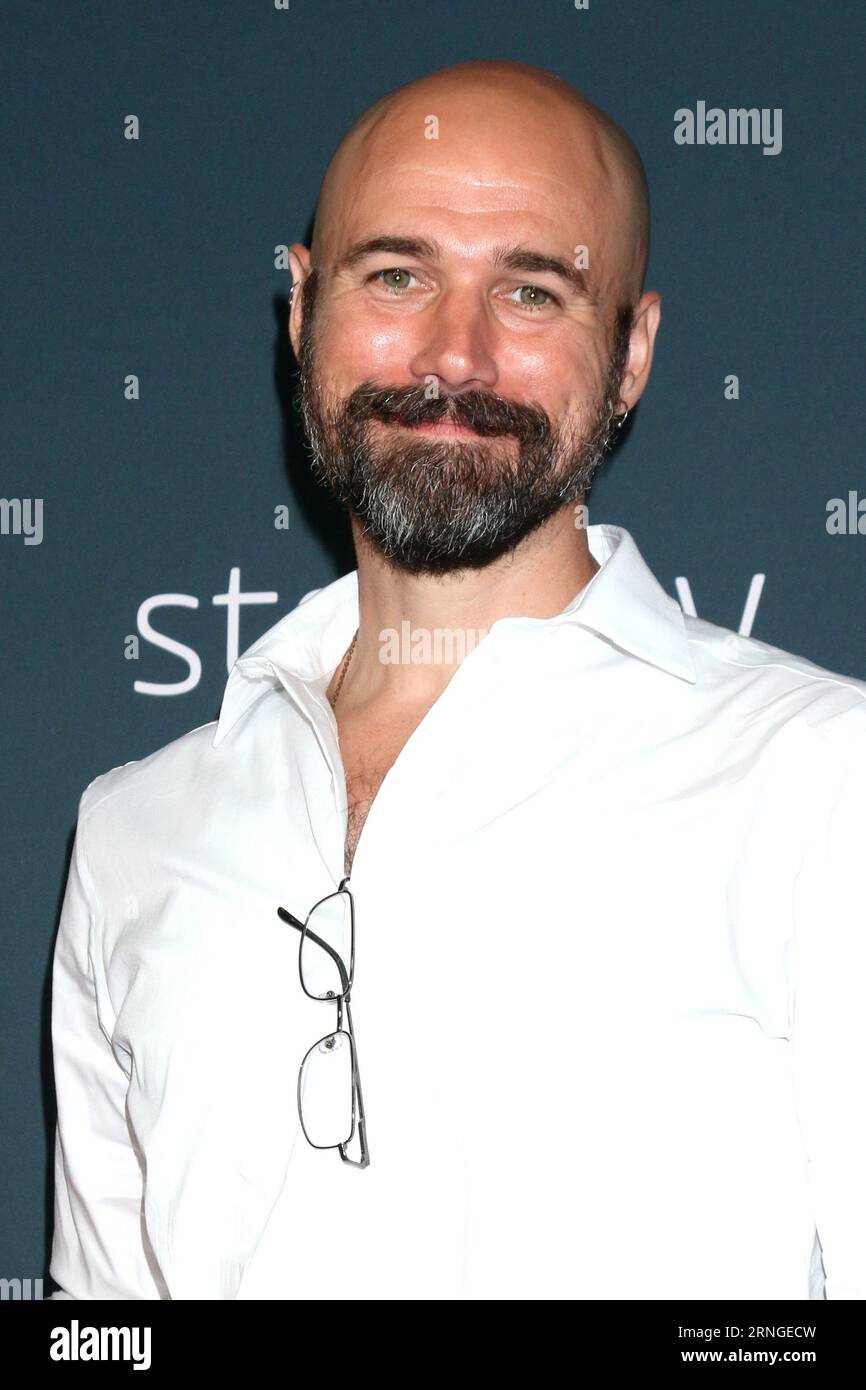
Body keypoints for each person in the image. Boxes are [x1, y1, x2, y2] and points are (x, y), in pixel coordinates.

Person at [47, 59, 865, 1301]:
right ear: (300, 310)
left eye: (529, 291)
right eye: (396, 276)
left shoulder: (821, 780)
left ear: (632, 354)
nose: (452, 355)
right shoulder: (132, 833)